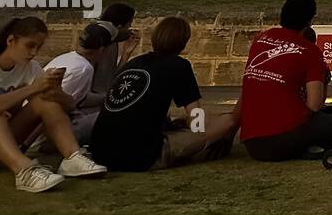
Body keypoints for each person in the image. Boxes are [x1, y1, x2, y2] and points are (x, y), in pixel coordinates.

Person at [239, 0, 332, 168]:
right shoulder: (310, 51)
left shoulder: (260, 40)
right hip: (285, 137)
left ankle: (314, 148)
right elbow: (314, 105)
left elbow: (246, 92)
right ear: (309, 21)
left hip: (253, 145)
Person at [90, 16, 239, 171]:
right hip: (139, 156)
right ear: (184, 41)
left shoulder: (134, 63)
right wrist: (199, 137)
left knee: (182, 120)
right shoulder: (178, 65)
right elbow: (194, 112)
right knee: (227, 121)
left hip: (101, 152)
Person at [0, 16, 107, 192]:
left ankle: (72, 157)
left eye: (38, 47)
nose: (34, 52)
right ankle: (24, 171)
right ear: (11, 40)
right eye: (29, 45)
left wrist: (56, 92)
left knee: (45, 99)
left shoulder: (30, 67)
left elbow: (70, 105)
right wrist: (33, 88)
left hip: (7, 141)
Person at [44, 23, 115, 142]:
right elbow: (62, 106)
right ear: (102, 49)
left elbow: (81, 98)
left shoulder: (67, 57)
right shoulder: (84, 68)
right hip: (48, 126)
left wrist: (106, 98)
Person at [90, 3, 141, 98]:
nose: (130, 28)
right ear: (119, 26)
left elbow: (113, 77)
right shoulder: (107, 44)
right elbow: (105, 87)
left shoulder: (101, 37)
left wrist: (126, 53)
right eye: (129, 24)